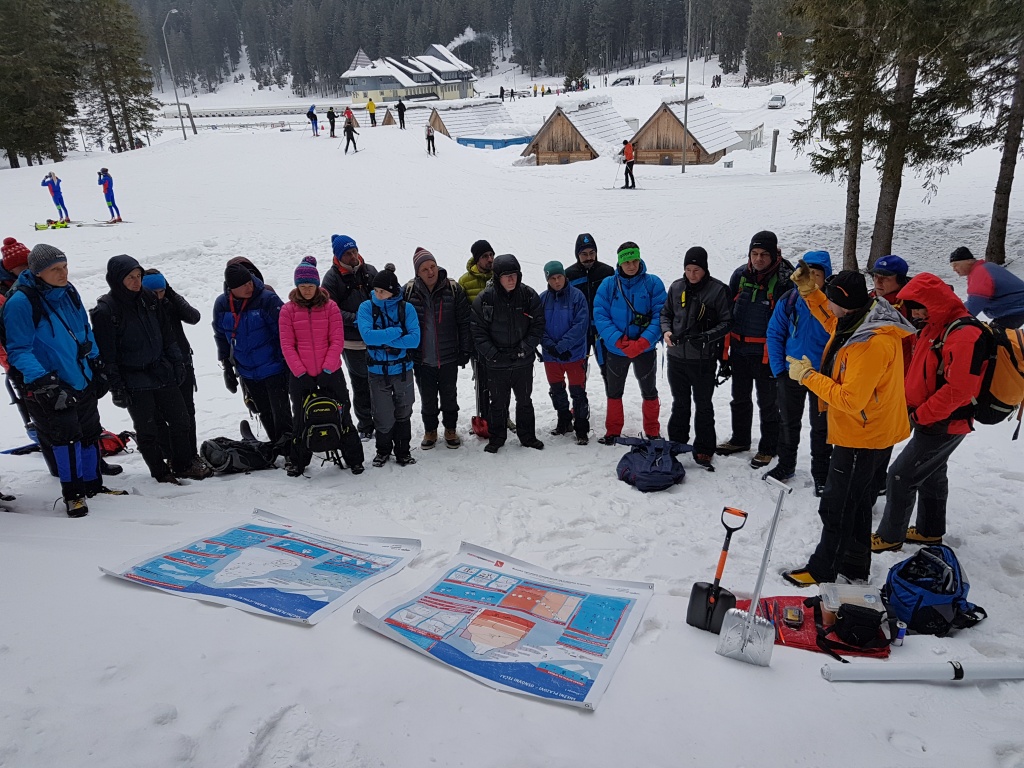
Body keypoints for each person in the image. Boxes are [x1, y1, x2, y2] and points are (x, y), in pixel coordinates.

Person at [781, 269, 915, 586]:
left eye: (830, 298)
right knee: (855, 501)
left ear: (845, 303)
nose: (827, 305)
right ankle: (855, 564)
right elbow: (830, 318)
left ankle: (823, 568)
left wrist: (807, 376)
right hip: (866, 430)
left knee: (837, 505)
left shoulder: (870, 344)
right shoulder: (860, 320)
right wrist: (808, 290)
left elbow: (851, 399)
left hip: (863, 434)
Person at [871, 273, 986, 552]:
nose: (916, 313)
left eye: (919, 306)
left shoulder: (964, 334)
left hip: (945, 421)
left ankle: (889, 537)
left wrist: (921, 414)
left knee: (900, 475)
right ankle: (929, 532)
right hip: (931, 417)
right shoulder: (935, 326)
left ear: (934, 303)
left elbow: (958, 390)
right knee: (932, 474)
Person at [1, 245, 108, 515]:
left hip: (80, 375)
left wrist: (95, 361)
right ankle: (74, 495)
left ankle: (93, 485)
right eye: (55, 269)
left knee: (89, 431)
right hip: (51, 384)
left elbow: (84, 328)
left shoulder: (69, 291)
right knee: (66, 438)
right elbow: (18, 350)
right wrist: (43, 382)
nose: (63, 273)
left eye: (65, 266)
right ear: (38, 272)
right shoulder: (21, 302)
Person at [92, 255, 211, 485]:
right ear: (118, 279)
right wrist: (116, 386)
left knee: (181, 420)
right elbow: (107, 355)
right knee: (148, 430)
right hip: (134, 378)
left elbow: (168, 337)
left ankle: (183, 464)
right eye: (130, 277)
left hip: (162, 371)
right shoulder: (106, 310)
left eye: (139, 276)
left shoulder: (149, 299)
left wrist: (177, 363)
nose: (136, 282)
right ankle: (160, 471)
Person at [279, 256, 364, 476]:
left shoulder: (330, 307)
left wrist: (327, 369)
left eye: (311, 286)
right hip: (300, 375)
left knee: (343, 415)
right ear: (297, 286)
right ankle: (298, 461)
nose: (307, 290)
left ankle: (354, 458)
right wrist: (300, 372)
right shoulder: (288, 310)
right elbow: (287, 345)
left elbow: (336, 340)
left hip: (331, 372)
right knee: (300, 419)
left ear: (317, 286)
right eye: (303, 286)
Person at [718, 230, 793, 468]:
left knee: (768, 402)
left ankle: (769, 447)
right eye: (754, 253)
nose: (758, 259)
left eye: (763, 254)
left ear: (774, 255)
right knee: (739, 398)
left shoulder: (785, 280)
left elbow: (789, 322)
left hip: (767, 353)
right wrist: (724, 352)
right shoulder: (740, 275)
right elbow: (727, 312)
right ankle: (740, 439)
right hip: (739, 348)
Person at [765, 250, 833, 492]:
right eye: (807, 274)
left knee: (823, 426)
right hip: (791, 372)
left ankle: (822, 473)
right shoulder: (789, 300)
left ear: (827, 276)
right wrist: (779, 370)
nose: (812, 279)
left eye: (817, 274)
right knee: (787, 422)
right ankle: (786, 464)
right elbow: (774, 334)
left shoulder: (832, 304)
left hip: (822, 376)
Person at [660, 246, 732, 469]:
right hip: (676, 358)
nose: (692, 275)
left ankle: (704, 448)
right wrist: (666, 332)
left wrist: (707, 337)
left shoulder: (718, 290)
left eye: (696, 270)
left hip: (703, 360)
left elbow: (727, 322)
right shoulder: (676, 287)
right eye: (688, 269)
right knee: (679, 403)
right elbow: (665, 314)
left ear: (705, 268)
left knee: (703, 404)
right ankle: (677, 441)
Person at [593, 242, 667, 443]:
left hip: (645, 349)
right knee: (614, 391)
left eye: (634, 260)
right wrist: (618, 340)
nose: (631, 265)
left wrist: (643, 342)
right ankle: (613, 431)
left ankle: (652, 431)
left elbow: (661, 315)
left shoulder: (653, 283)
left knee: (649, 390)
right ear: (619, 262)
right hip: (617, 349)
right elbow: (600, 315)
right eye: (627, 261)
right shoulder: (608, 284)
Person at [470, 253, 545, 453]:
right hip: (496, 363)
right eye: (506, 275)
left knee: (525, 401)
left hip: (523, 361)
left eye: (514, 275)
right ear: (497, 277)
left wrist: (525, 348)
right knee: (498, 403)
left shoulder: (528, 296)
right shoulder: (485, 299)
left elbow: (538, 325)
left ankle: (527, 437)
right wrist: (493, 354)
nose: (511, 279)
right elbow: (477, 331)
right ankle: (496, 438)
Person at [213, 261, 291, 444]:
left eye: (250, 282)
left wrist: (286, 362)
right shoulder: (222, 305)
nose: (250, 287)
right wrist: (227, 366)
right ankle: (276, 444)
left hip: (273, 366)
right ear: (232, 288)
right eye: (244, 285)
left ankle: (290, 448)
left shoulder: (267, 299)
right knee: (263, 409)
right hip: (247, 370)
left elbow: (283, 332)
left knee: (281, 410)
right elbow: (220, 336)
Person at [403, 247, 471, 450]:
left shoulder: (452, 289)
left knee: (450, 395)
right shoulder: (408, 291)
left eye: (432, 266)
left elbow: (464, 321)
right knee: (427, 397)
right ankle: (430, 430)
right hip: (422, 358)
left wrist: (465, 349)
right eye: (425, 269)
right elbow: (401, 323)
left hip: (448, 356)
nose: (430, 272)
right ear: (417, 272)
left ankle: (450, 428)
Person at [357, 264, 420, 466]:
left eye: (382, 291)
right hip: (377, 371)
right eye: (376, 290)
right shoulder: (366, 307)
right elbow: (367, 337)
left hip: (402, 369)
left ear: (392, 291)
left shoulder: (406, 308)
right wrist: (395, 332)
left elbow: (414, 340)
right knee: (383, 414)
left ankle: (403, 451)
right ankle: (383, 451)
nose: (377, 294)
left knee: (404, 411)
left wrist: (383, 340)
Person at [867, 254, 915, 497]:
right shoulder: (870, 299)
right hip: (867, 376)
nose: (879, 281)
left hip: (895, 381)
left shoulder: (909, 306)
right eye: (876, 276)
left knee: (882, 435)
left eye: (885, 277)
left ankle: (875, 484)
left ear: (900, 280)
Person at [322, 234, 378, 440]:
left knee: (378, 381)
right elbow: (331, 310)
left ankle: (381, 419)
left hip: (375, 337)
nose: (353, 256)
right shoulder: (331, 278)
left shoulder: (370, 271)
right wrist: (358, 320)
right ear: (339, 256)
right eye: (348, 253)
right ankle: (365, 424)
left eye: (354, 251)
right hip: (352, 341)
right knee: (360, 382)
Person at [142, 269, 201, 460]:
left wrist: (172, 295)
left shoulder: (170, 302)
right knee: (163, 415)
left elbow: (194, 317)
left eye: (161, 291)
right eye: (154, 292)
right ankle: (171, 454)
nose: (158, 296)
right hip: (160, 369)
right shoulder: (142, 309)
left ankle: (191, 453)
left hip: (183, 363)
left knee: (187, 411)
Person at [539, 261, 590, 444]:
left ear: (565, 276)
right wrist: (550, 347)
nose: (557, 281)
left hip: (573, 354)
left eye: (559, 277)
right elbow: (538, 326)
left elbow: (581, 325)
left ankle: (582, 427)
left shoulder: (577, 297)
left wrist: (562, 347)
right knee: (557, 390)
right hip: (551, 356)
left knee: (578, 391)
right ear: (547, 279)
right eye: (552, 278)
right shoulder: (542, 299)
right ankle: (564, 421)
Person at [565, 233, 615, 378]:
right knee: (579, 369)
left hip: (603, 328)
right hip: (580, 330)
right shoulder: (569, 274)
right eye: (584, 254)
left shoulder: (607, 272)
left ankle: (613, 399)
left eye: (592, 253)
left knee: (609, 369)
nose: (589, 257)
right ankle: (581, 400)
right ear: (577, 255)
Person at [460, 240, 496, 436]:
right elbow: (463, 315)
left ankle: (501, 416)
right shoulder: (465, 281)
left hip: (500, 341)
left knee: (500, 382)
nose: (490, 259)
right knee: (482, 382)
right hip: (478, 342)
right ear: (477, 259)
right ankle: (483, 416)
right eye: (485, 256)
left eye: (491, 255)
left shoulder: (500, 275)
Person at [950, 246, 1024, 329]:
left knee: (997, 338)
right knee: (995, 335)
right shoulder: (984, 268)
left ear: (969, 261)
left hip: (1016, 310)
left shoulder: (980, 272)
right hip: (1013, 309)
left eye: (956, 265)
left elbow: (975, 304)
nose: (954, 269)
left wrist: (954, 320)